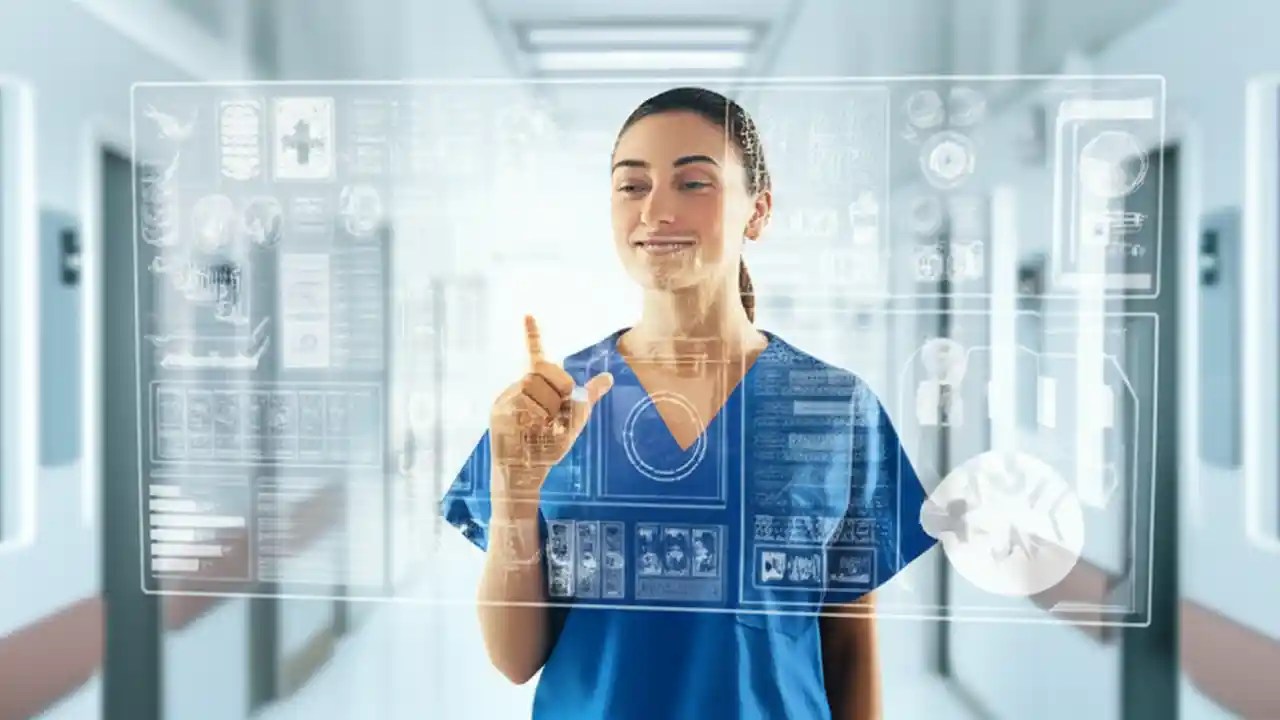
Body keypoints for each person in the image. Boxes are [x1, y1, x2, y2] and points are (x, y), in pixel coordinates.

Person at [440, 87, 936, 720]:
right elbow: (514, 660)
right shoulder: (553, 410)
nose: (657, 211)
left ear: (759, 211)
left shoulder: (834, 408)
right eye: (632, 186)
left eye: (694, 183)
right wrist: (515, 486)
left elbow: (848, 650)